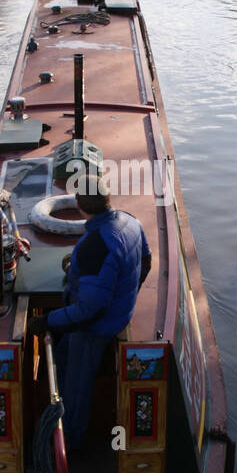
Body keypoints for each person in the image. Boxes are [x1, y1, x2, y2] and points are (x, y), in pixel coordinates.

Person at [31, 176, 151, 454]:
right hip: (118, 313)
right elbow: (146, 259)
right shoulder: (130, 221)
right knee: (61, 358)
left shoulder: (94, 246)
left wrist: (48, 321)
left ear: (79, 204)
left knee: (76, 388)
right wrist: (126, 295)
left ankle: (70, 444)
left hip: (96, 328)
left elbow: (89, 312)